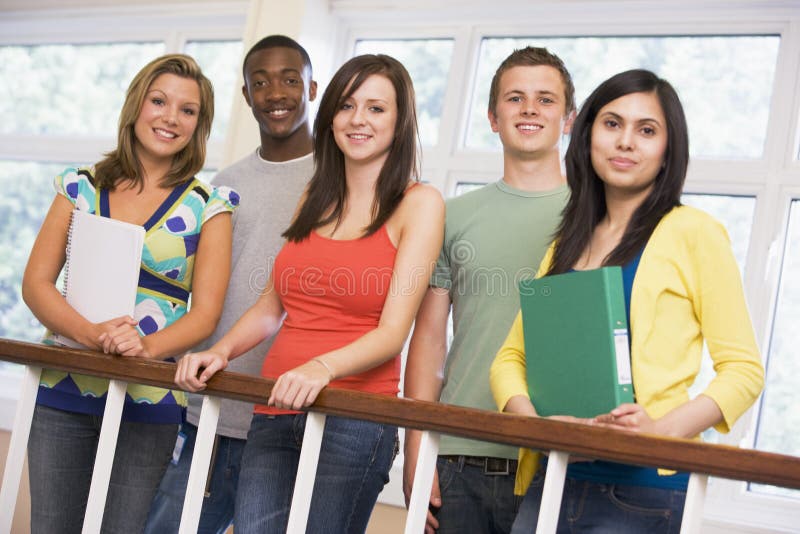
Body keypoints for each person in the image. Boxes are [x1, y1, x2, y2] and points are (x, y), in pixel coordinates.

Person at [175, 53, 444, 534]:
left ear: (401, 121)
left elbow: (393, 332)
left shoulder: (418, 204)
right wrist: (219, 352)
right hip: (277, 406)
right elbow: (270, 306)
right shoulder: (314, 197)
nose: (358, 119)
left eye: (376, 108)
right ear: (331, 117)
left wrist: (321, 368)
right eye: (346, 106)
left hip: (355, 419)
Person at [490, 69, 765, 533]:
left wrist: (657, 433)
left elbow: (744, 371)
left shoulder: (694, 232)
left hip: (645, 491)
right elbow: (510, 359)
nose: (626, 142)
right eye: (612, 123)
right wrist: (538, 427)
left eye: (647, 130)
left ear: (667, 151)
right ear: (588, 134)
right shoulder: (566, 242)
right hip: (554, 477)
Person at [21, 54, 238, 534]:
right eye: (159, 101)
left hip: (150, 399)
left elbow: (205, 314)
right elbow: (36, 284)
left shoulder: (209, 206)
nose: (170, 117)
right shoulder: (79, 186)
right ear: (136, 105)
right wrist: (95, 335)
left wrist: (145, 349)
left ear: (199, 125)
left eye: (188, 110)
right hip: (65, 387)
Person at [144, 35, 317, 534]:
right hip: (209, 407)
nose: (276, 92)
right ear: (245, 96)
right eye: (259, 82)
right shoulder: (223, 184)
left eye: (289, 78)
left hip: (285, 412)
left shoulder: (336, 176)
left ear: (312, 85)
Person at [402, 46, 575, 534]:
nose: (529, 109)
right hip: (461, 455)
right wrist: (417, 449)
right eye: (515, 98)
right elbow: (430, 341)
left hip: (555, 459)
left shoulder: (594, 217)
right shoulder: (452, 216)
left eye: (546, 99)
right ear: (493, 118)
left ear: (568, 120)